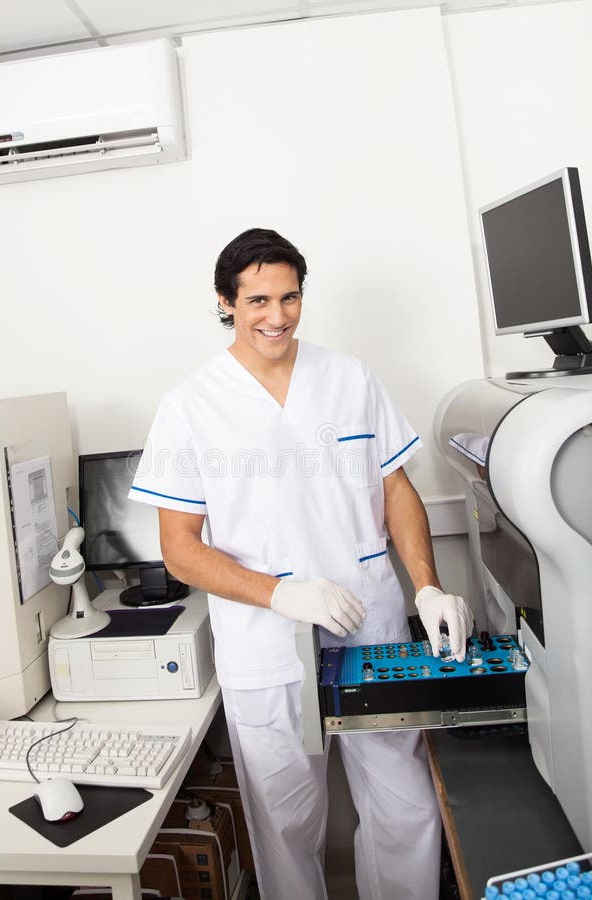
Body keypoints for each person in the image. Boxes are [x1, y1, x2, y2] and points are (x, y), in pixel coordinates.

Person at [129, 228, 474, 900]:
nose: (276, 316)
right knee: (286, 821)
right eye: (258, 300)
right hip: (266, 638)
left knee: (405, 807)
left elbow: (395, 488)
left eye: (289, 298)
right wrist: (281, 594)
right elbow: (180, 548)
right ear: (226, 302)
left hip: (368, 622)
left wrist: (427, 587)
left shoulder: (348, 377)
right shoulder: (190, 406)